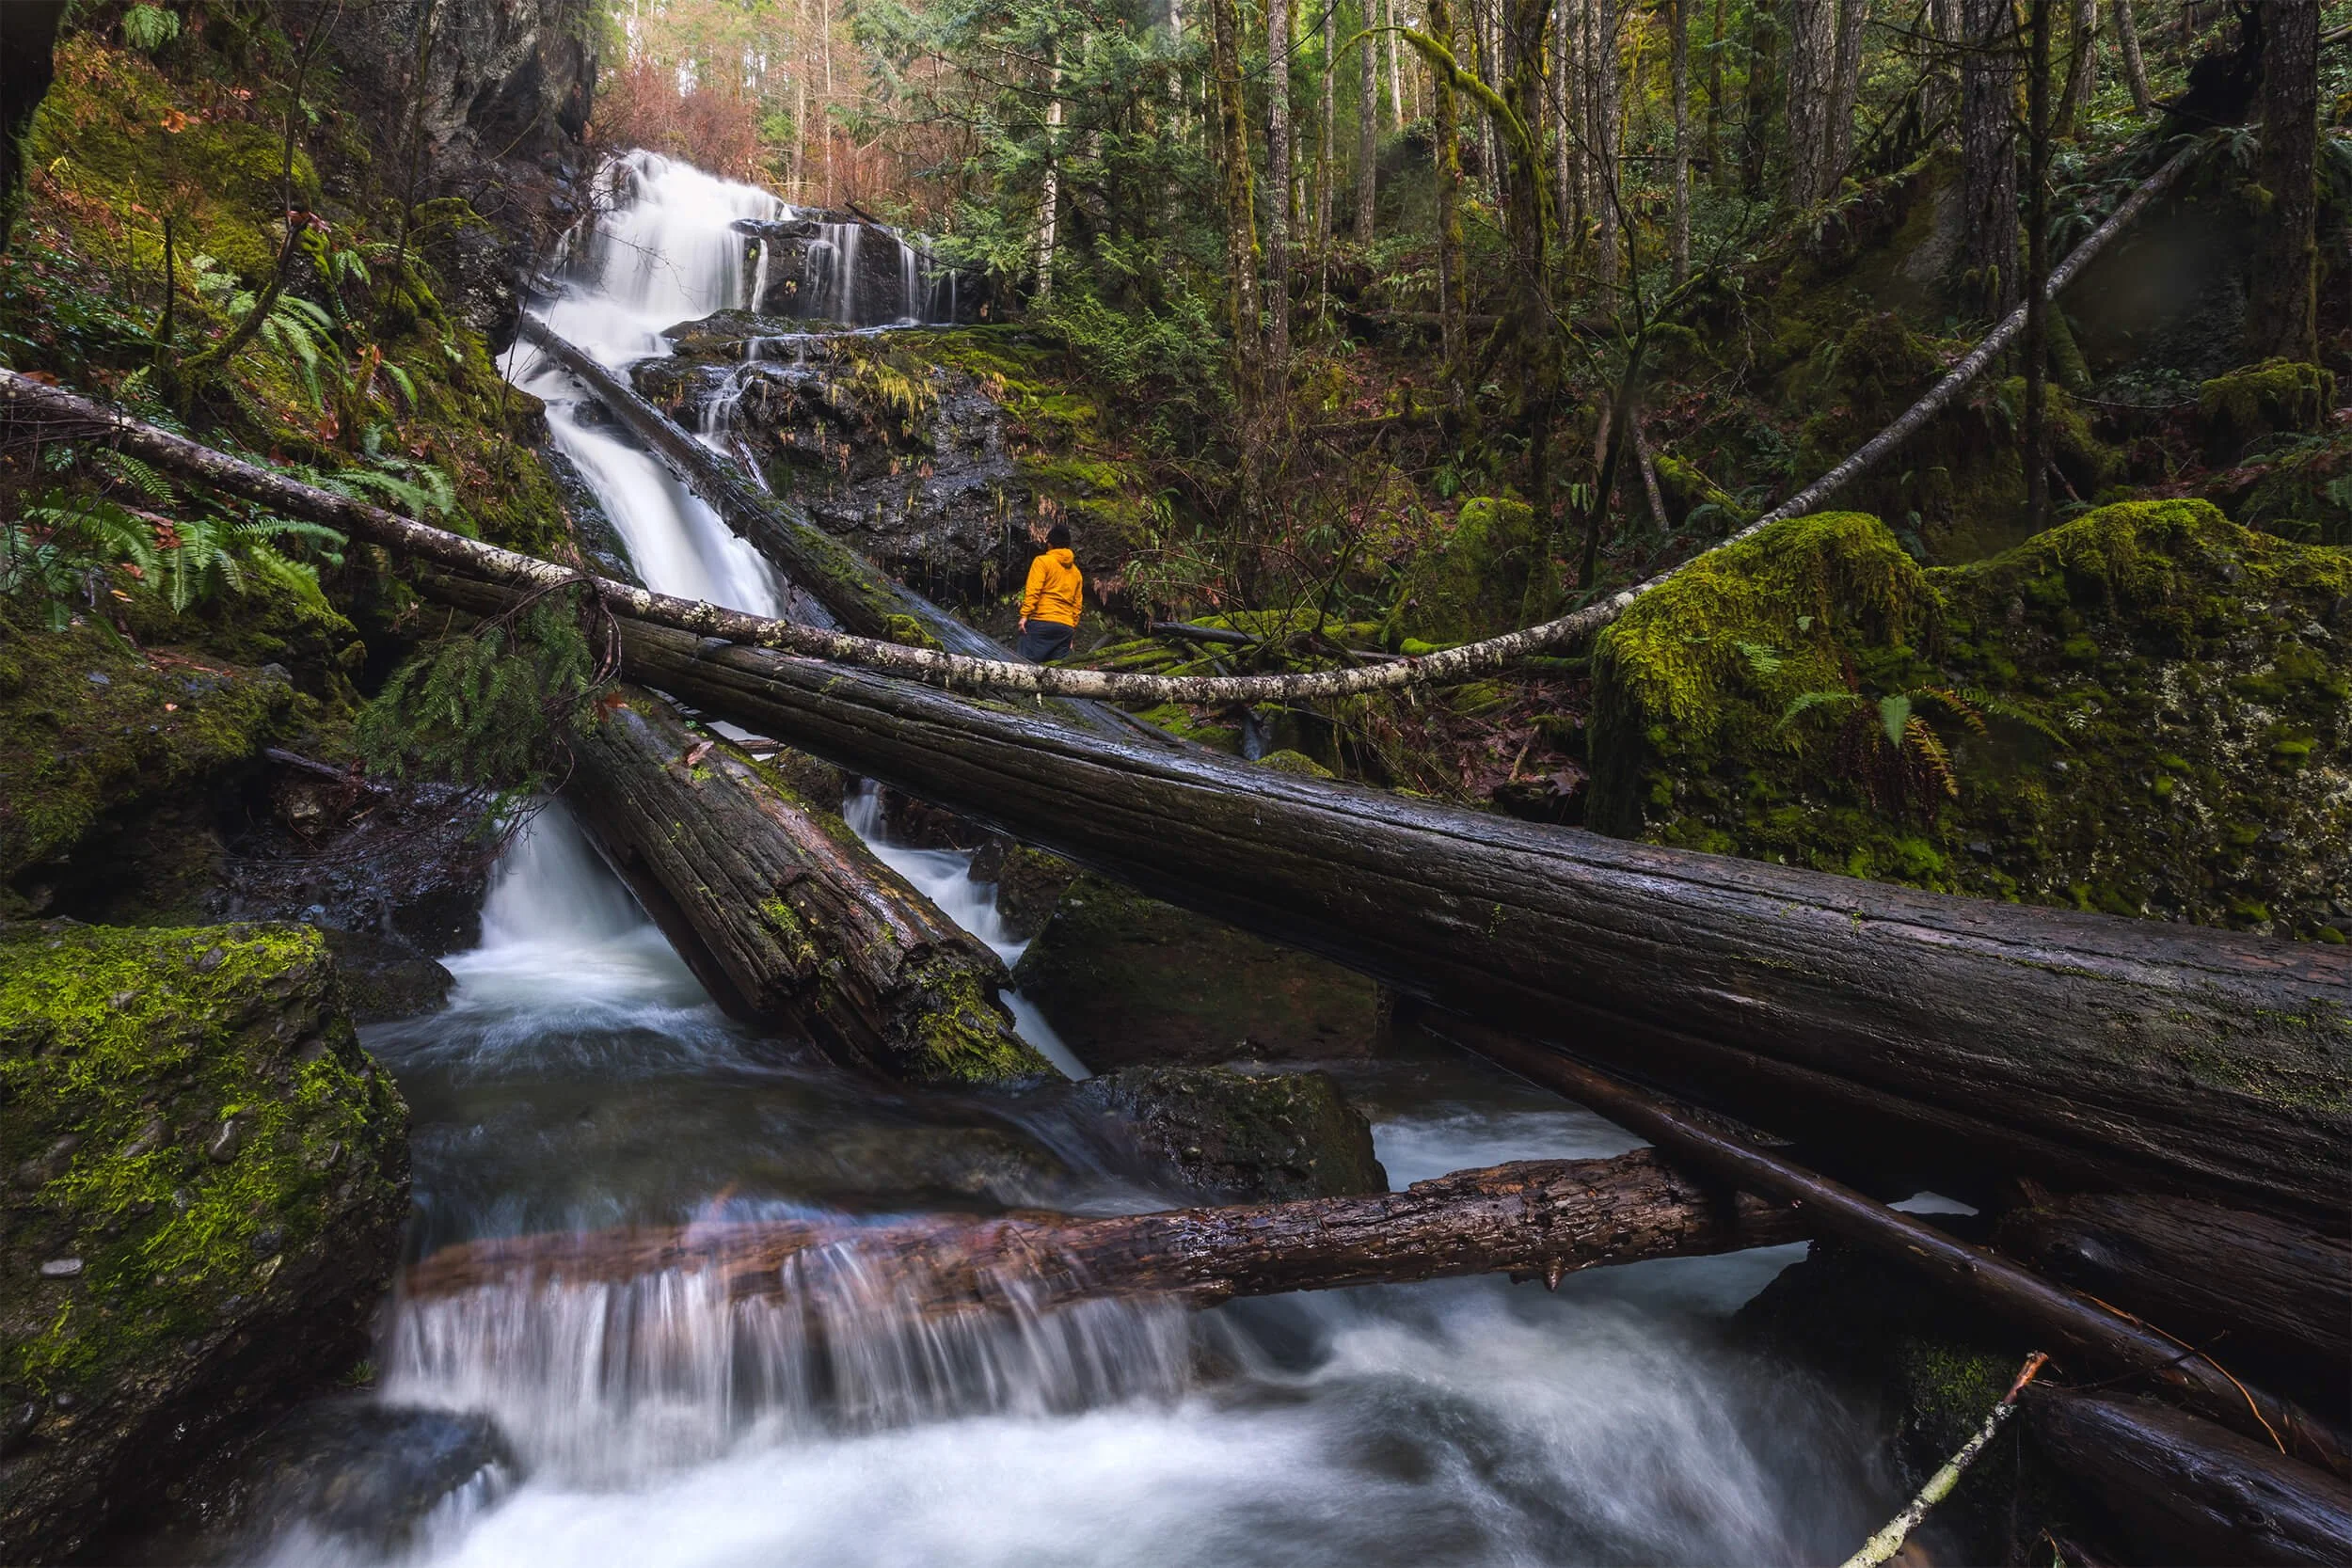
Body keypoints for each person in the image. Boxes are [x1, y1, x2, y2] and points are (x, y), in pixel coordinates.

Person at [1017, 523, 1082, 662]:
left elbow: (1034, 590)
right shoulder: (1076, 573)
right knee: (1056, 675)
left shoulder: (1042, 561)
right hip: (1065, 628)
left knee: (1024, 667)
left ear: (1050, 544)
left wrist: (1024, 615)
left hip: (1042, 621)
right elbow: (1077, 606)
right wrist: (1072, 631)